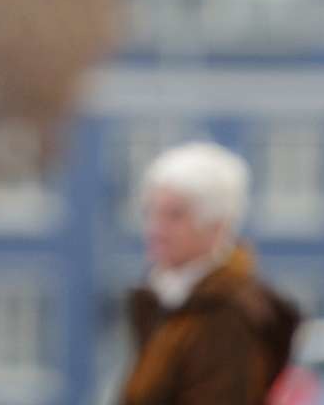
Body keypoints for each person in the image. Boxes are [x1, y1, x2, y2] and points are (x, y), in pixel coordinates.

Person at [116, 140, 299, 405]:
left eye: (175, 215)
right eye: (151, 212)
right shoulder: (172, 302)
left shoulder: (227, 313)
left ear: (216, 225)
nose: (156, 228)